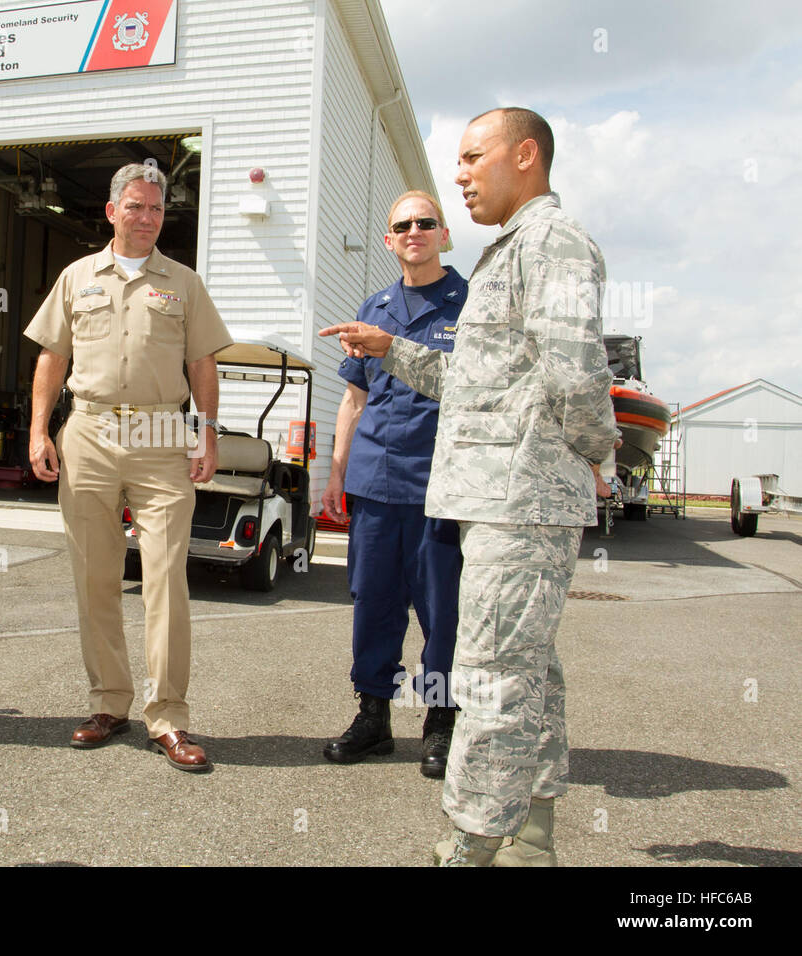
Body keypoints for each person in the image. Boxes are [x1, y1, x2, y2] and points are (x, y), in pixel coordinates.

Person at [321, 108, 617, 866]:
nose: (459, 175)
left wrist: (599, 451)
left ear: (525, 156)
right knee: (529, 674)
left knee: (487, 675)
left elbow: (577, 372)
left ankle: (471, 843)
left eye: (471, 157)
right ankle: (530, 836)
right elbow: (470, 378)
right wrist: (392, 350)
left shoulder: (551, 244)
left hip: (522, 499)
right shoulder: (511, 251)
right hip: (495, 499)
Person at [25, 163, 233, 772]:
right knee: (95, 573)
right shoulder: (76, 277)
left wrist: (208, 435)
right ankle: (108, 703)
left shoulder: (184, 284)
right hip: (88, 427)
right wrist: (39, 430)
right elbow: (51, 359)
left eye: (156, 209)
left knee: (167, 577)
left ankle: (167, 716)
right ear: (112, 211)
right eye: (136, 208)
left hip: (163, 429)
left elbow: (203, 366)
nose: (146, 219)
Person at [320, 190, 465, 777]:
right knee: (374, 604)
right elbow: (354, 397)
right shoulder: (373, 308)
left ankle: (440, 720)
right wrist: (335, 471)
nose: (414, 231)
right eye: (402, 225)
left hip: (442, 485)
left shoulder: (471, 304)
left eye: (425, 222)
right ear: (389, 240)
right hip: (375, 481)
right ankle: (374, 717)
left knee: (442, 611)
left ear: (444, 234)